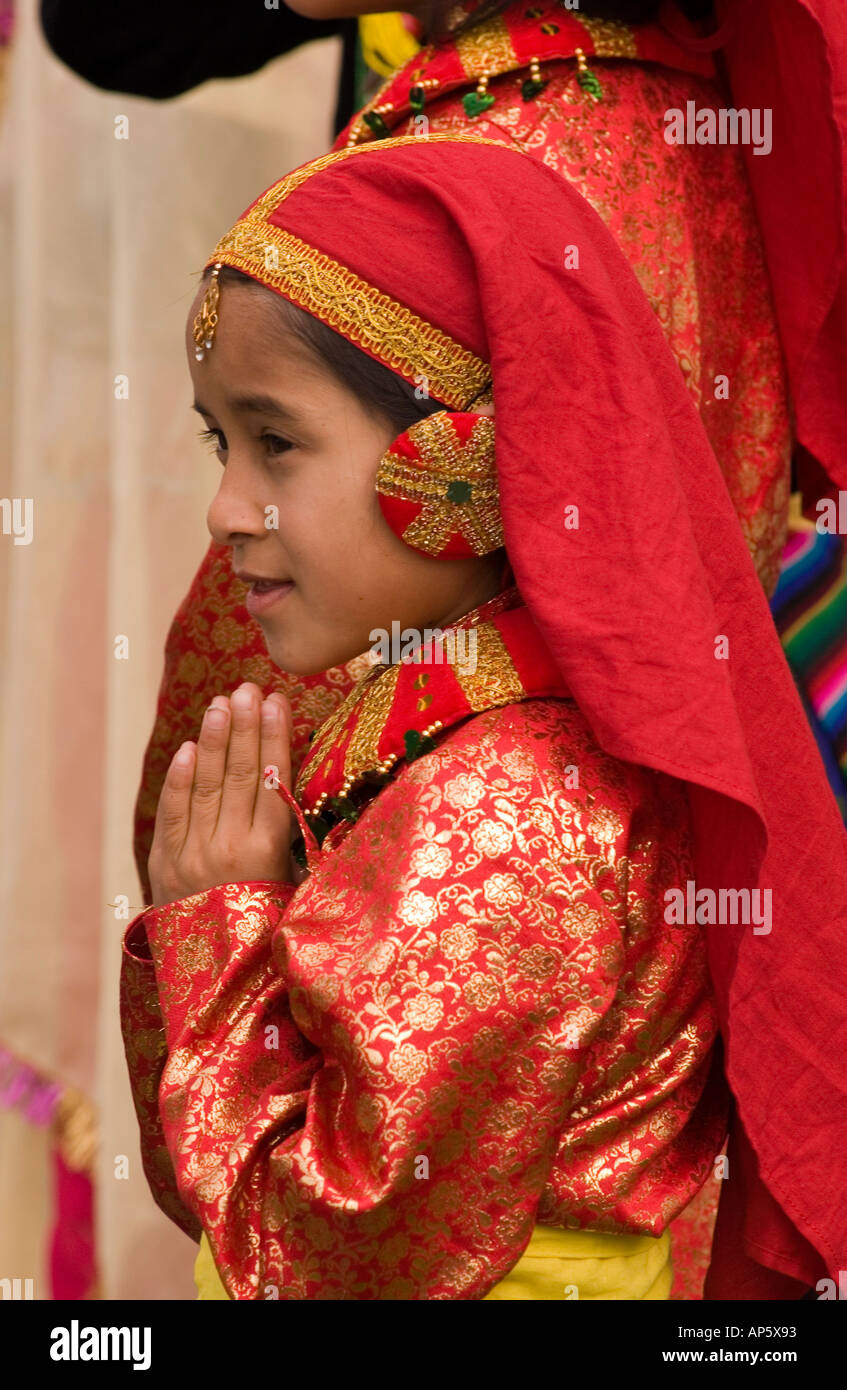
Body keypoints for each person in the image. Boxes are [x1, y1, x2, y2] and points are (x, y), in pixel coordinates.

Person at [119, 134, 847, 1301]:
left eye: (276, 443)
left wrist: (215, 937)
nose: (224, 508)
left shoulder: (506, 810)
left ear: (465, 457)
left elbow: (344, 1255)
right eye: (220, 441)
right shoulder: (441, 729)